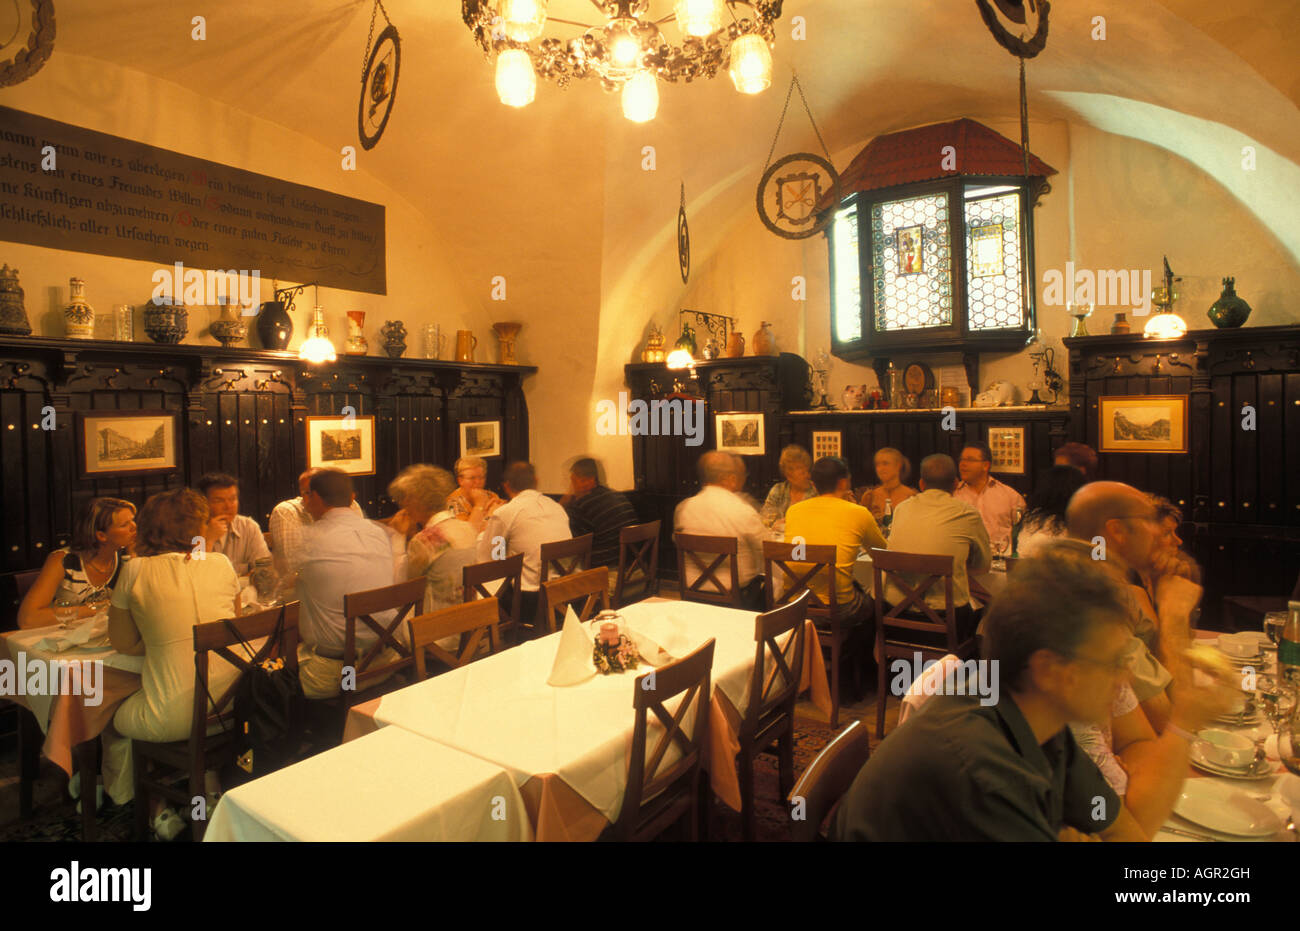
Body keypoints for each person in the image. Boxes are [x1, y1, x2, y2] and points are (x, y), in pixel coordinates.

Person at [830, 545, 1149, 841]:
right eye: (1115, 661)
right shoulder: (986, 776)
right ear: (1051, 670)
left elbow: (1120, 828)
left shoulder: (1042, 722)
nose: (1126, 676)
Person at [107, 488, 243, 838]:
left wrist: (159, 640)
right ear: (198, 527)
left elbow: (121, 643)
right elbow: (233, 627)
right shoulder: (219, 562)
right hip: (232, 709)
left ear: (148, 528)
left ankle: (156, 809)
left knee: (105, 707)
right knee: (179, 686)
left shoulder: (135, 570)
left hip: (170, 720)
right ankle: (208, 787)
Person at [1063, 481, 1205, 733]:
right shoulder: (1101, 606)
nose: (1161, 533)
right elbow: (1177, 724)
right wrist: (1174, 616)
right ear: (1116, 530)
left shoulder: (1086, 577)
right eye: (1149, 521)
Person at [291, 469, 400, 699]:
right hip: (386, 661)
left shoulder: (311, 539)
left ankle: (313, 731)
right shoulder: (378, 533)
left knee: (272, 676)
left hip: (345, 676)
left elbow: (289, 595)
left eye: (307, 495)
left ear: (316, 498)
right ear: (352, 498)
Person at [883, 454, 990, 643]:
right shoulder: (968, 514)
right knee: (983, 612)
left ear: (922, 484)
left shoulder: (901, 509)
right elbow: (983, 566)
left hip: (896, 615)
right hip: (946, 621)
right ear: (956, 484)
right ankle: (962, 668)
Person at [783, 456, 885, 625]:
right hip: (838, 608)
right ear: (844, 483)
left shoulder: (794, 511)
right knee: (874, 605)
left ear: (813, 485)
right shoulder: (858, 512)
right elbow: (883, 556)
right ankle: (855, 652)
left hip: (794, 603)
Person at [476, 461, 572, 629]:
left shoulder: (505, 513)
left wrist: (486, 524)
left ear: (506, 486)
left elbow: (492, 558)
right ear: (536, 480)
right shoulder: (556, 507)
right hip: (568, 591)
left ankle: (492, 642)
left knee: (482, 582)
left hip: (531, 601)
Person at [18, 497, 136, 628]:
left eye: (132, 520)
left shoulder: (129, 558)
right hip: (61, 639)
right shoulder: (62, 560)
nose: (134, 527)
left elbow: (145, 604)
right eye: (125, 525)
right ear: (101, 536)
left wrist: (135, 556)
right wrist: (97, 608)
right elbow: (28, 619)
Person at [674, 451, 767, 610]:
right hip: (740, 599)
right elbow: (766, 548)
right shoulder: (743, 510)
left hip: (693, 595)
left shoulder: (684, 509)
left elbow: (676, 542)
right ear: (730, 479)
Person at [386, 464, 482, 612]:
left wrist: (399, 536)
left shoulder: (424, 541)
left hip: (436, 628)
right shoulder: (468, 528)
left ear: (416, 501)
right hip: (469, 621)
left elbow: (401, 591)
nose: (403, 506)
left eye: (405, 499)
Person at [268, 468, 363, 576]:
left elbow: (359, 552)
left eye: (318, 493)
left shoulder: (351, 505)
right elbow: (292, 567)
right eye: (306, 493)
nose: (309, 500)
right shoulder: (287, 512)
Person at [560, 457, 638, 571]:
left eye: (573, 480)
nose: (571, 486)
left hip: (605, 572)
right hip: (633, 568)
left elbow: (574, 544)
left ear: (588, 481)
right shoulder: (618, 496)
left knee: (558, 561)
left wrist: (563, 504)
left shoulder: (581, 506)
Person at [955, 441, 1026, 554]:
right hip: (963, 561)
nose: (963, 464)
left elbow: (1023, 534)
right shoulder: (953, 495)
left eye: (970, 460)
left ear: (985, 465)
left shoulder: (1010, 497)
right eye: (961, 460)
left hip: (1000, 561)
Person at [195, 472, 271, 576]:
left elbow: (264, 569)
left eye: (232, 499)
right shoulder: (194, 529)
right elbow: (195, 572)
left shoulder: (249, 527)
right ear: (204, 502)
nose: (228, 506)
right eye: (219, 500)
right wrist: (208, 540)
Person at [1015, 465, 1087, 558]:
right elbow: (1099, 558)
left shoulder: (1032, 518)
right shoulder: (1082, 522)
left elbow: (1022, 552)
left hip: (1027, 569)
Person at [858, 447, 917, 526]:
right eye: (877, 465)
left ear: (898, 465)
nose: (880, 469)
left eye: (885, 463)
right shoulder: (870, 496)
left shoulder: (911, 496)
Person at [760, 445, 815, 528]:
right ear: (786, 473)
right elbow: (765, 519)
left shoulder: (816, 492)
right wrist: (774, 525)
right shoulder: (778, 490)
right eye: (790, 469)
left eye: (799, 468)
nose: (794, 473)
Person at [446, 456, 502, 521]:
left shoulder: (491, 496)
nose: (477, 482)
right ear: (460, 480)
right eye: (472, 478)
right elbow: (467, 530)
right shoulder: (453, 502)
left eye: (481, 477)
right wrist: (479, 504)